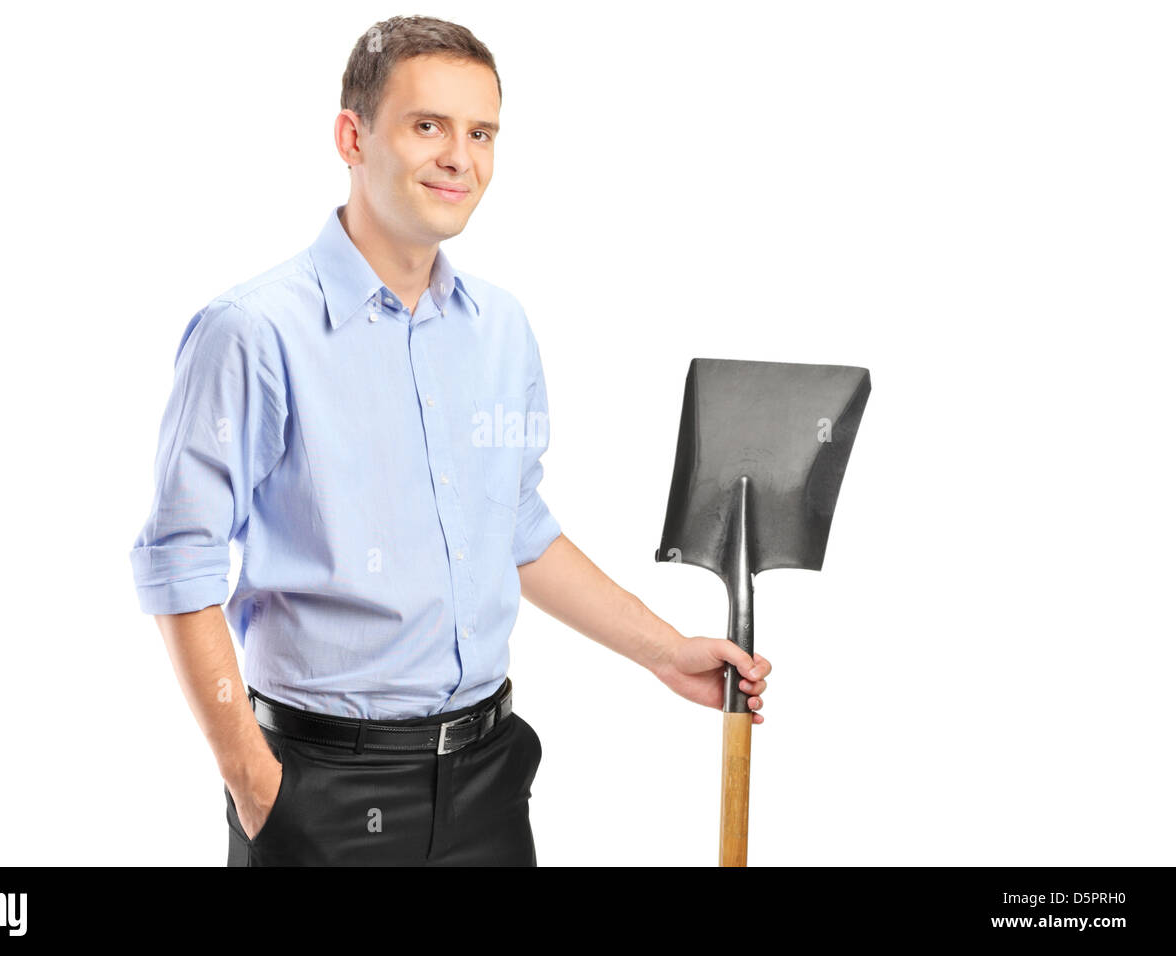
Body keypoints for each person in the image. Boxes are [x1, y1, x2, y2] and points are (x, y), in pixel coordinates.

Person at [128, 14, 770, 867]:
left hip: (489, 784)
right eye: (427, 125)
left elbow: (515, 530)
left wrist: (666, 652)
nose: (458, 157)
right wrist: (255, 782)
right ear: (352, 137)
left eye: (481, 133)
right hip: (319, 790)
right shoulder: (252, 333)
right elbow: (180, 563)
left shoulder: (500, 328)